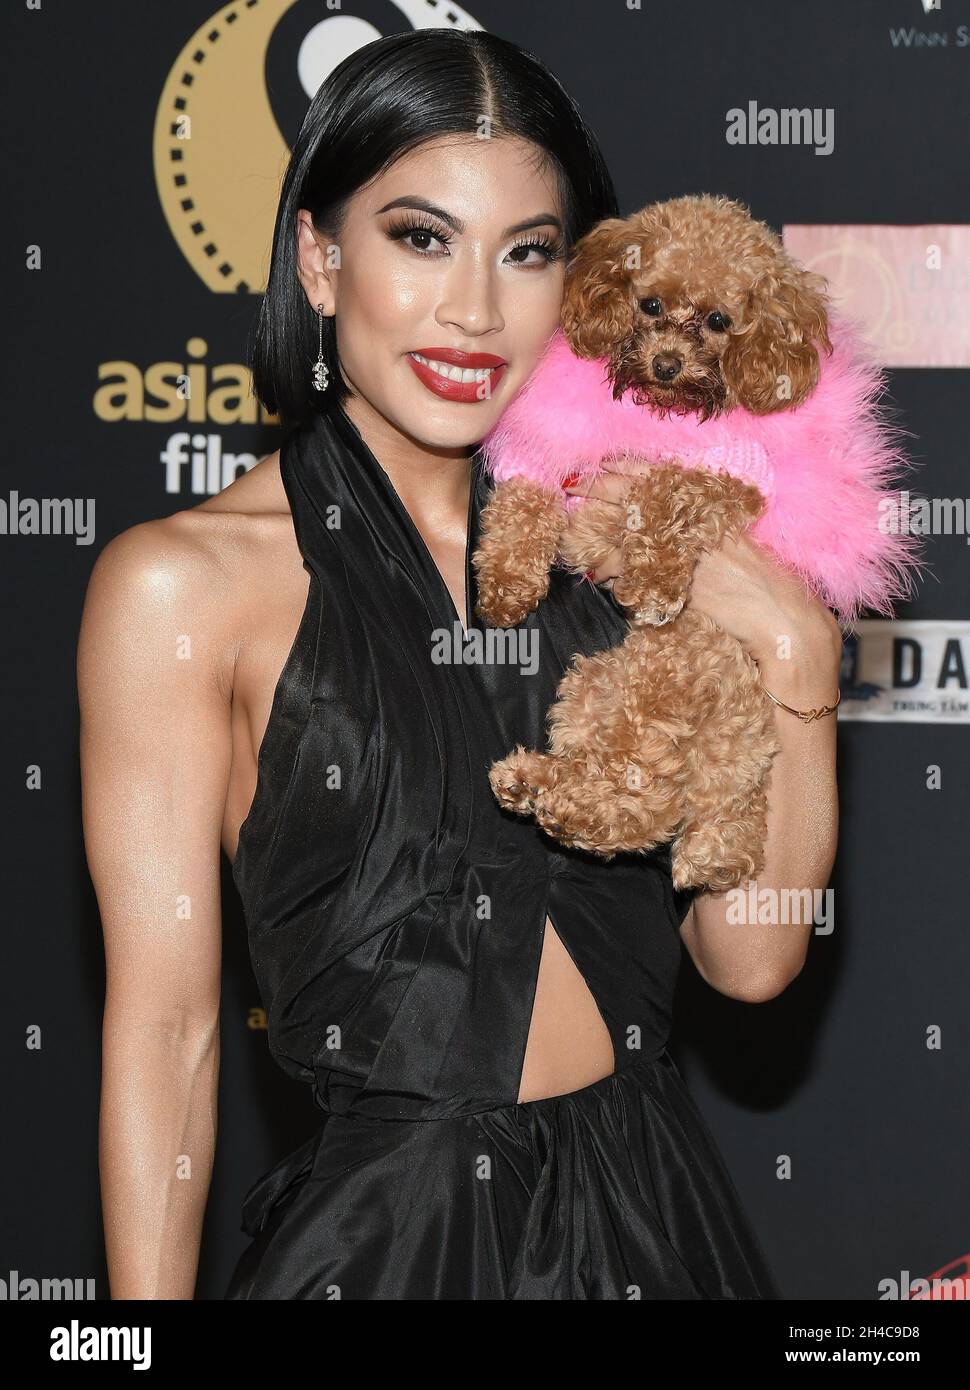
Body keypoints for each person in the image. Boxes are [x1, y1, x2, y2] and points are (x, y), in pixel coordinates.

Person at [78, 29, 841, 1300]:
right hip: (391, 1246)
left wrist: (796, 645)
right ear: (321, 260)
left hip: (654, 1227)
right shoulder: (184, 583)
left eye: (527, 253)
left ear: (581, 284)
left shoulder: (634, 550)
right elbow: (167, 1032)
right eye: (421, 238)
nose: (476, 310)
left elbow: (749, 960)